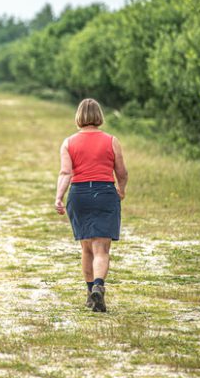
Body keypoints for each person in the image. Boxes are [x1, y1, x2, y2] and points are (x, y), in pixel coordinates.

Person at [54, 98, 128, 312]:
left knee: (86, 248)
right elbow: (121, 172)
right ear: (99, 116)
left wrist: (59, 197)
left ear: (79, 117)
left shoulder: (68, 143)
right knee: (101, 249)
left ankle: (90, 294)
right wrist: (121, 189)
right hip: (105, 192)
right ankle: (98, 285)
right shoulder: (112, 141)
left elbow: (65, 173)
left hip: (79, 195)